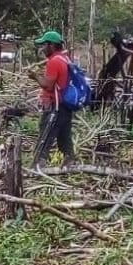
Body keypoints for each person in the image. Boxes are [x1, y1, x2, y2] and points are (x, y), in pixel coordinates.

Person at [30, 30, 76, 167]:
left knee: (45, 137)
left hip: (55, 107)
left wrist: (35, 76)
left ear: (51, 45)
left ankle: (38, 165)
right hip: (65, 105)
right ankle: (70, 163)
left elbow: (48, 86)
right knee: (64, 137)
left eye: (44, 45)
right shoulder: (65, 59)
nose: (42, 49)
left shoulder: (54, 61)